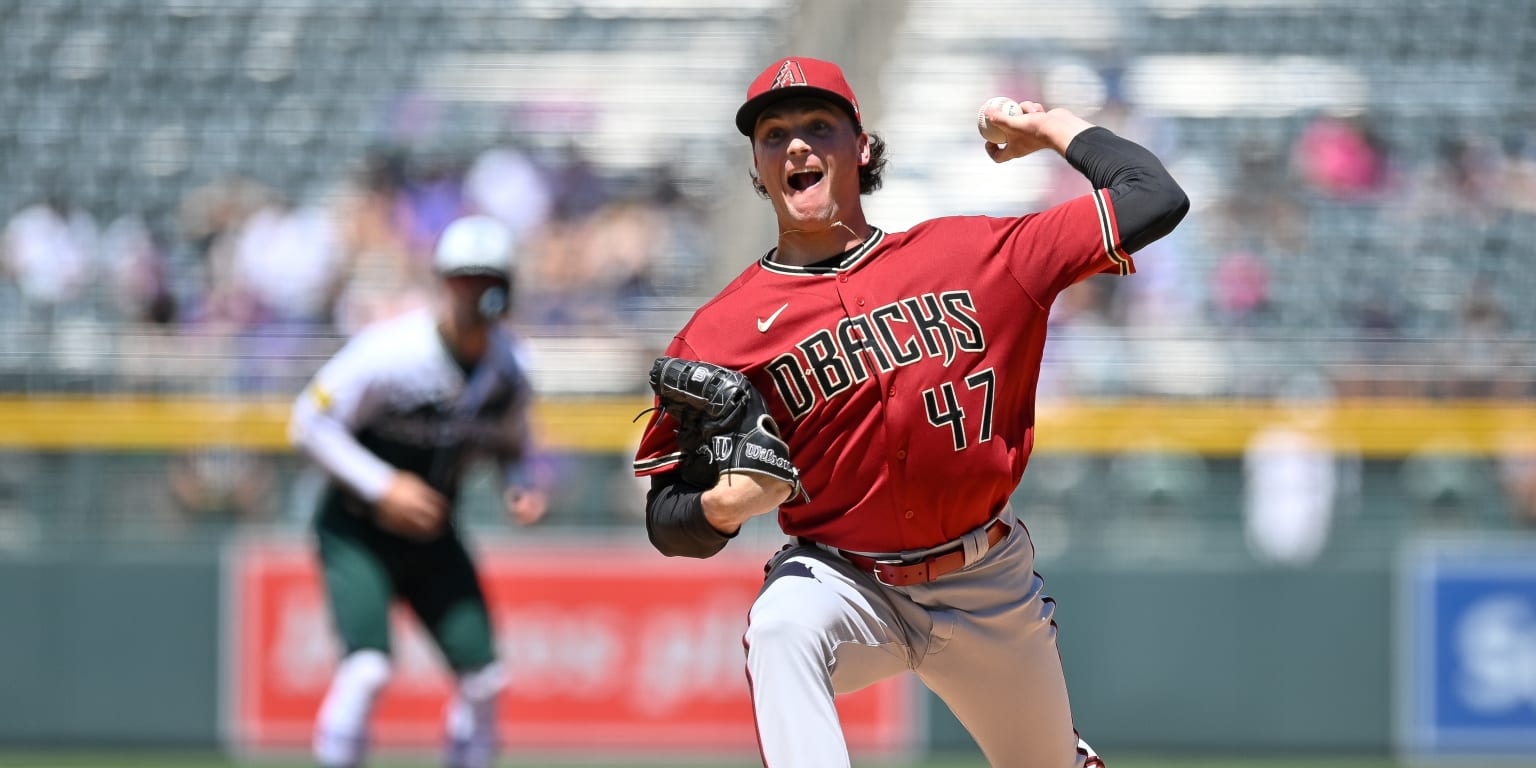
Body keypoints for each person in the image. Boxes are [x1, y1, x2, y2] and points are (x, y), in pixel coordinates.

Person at [633, 57, 1188, 767]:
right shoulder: (720, 332)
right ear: (757, 163)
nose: (796, 145)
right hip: (844, 580)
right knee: (779, 629)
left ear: (861, 148)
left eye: (818, 127)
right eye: (774, 134)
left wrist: (1049, 127)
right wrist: (724, 506)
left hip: (987, 583)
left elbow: (1155, 196)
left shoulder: (976, 256)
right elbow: (666, 517)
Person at [290, 214, 548, 768]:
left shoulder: (512, 367)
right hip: (359, 527)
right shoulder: (393, 351)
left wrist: (519, 483)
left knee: (485, 679)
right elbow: (308, 421)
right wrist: (383, 486)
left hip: (432, 532)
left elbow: (512, 442)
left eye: (489, 280)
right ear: (442, 282)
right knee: (368, 669)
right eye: (464, 278)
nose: (477, 292)